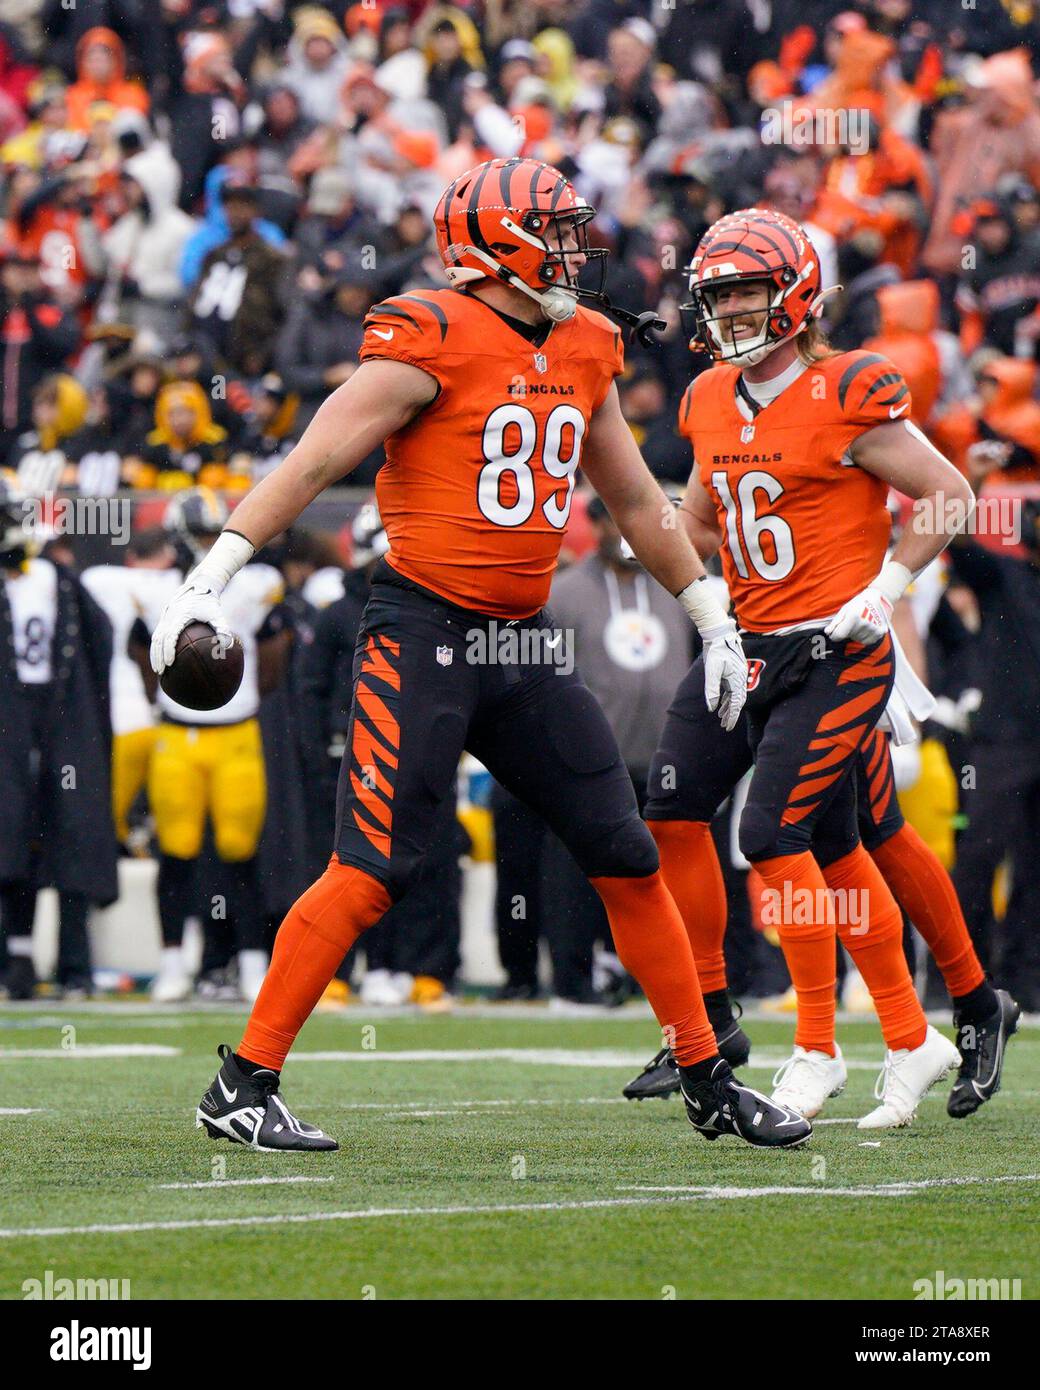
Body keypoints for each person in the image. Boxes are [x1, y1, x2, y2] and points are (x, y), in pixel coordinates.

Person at [150, 156, 811, 1154]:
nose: (573, 247)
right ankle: (243, 1082)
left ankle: (707, 1076)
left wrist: (710, 609)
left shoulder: (584, 343)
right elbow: (315, 457)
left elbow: (633, 500)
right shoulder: (429, 332)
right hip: (422, 630)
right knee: (373, 865)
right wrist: (211, 575)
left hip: (523, 642)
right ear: (496, 241)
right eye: (552, 229)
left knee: (624, 851)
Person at [639, 207, 1004, 1130]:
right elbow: (697, 515)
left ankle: (825, 1040)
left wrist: (884, 588)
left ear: (797, 293)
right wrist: (707, 609)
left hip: (840, 648)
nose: (730, 312)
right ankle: (731, 1015)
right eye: (716, 295)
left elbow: (948, 496)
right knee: (691, 805)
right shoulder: (707, 399)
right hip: (752, 647)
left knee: (784, 835)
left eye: (747, 291)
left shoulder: (850, 387)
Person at [142, 487, 288, 1004]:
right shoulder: (154, 586)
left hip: (237, 736)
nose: (209, 544)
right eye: (201, 534)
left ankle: (251, 963)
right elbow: (144, 657)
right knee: (176, 851)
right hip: (177, 735)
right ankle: (173, 963)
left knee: (241, 853)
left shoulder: (256, 585)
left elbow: (272, 655)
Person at [0, 477, 118, 999]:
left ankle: (75, 963)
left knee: (72, 831)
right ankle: (16, 958)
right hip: (11, 715)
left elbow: (99, 643)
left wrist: (85, 717)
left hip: (60, 713)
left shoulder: (57, 578)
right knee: (10, 830)